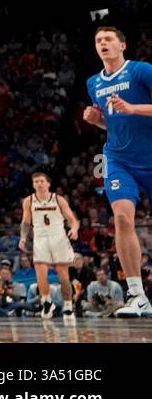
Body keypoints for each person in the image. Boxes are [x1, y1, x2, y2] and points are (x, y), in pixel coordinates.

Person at [83, 25, 152, 316]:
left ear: (122, 45)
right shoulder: (93, 83)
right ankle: (137, 296)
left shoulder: (141, 70)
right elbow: (114, 122)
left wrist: (133, 108)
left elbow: (130, 112)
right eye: (98, 40)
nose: (103, 43)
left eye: (108, 39)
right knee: (122, 219)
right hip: (118, 159)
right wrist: (96, 121)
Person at [18, 171, 78, 319]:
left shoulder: (58, 199)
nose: (39, 183)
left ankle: (68, 305)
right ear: (33, 184)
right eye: (36, 181)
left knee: (63, 277)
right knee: (40, 274)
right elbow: (26, 222)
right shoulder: (29, 201)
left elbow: (71, 218)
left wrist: (74, 229)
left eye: (41, 181)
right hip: (40, 240)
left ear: (48, 184)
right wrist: (23, 238)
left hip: (59, 238)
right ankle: (46, 302)